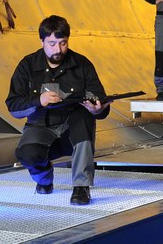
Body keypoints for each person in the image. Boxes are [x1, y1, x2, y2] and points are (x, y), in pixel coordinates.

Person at [6, 15, 109, 206]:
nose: (58, 50)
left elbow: (100, 100)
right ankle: (44, 178)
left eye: (63, 43)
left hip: (73, 131)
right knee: (27, 154)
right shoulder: (27, 65)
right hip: (41, 126)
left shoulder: (82, 64)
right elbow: (13, 106)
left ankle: (81, 187)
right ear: (42, 41)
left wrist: (96, 109)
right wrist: (39, 100)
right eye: (52, 43)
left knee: (83, 117)